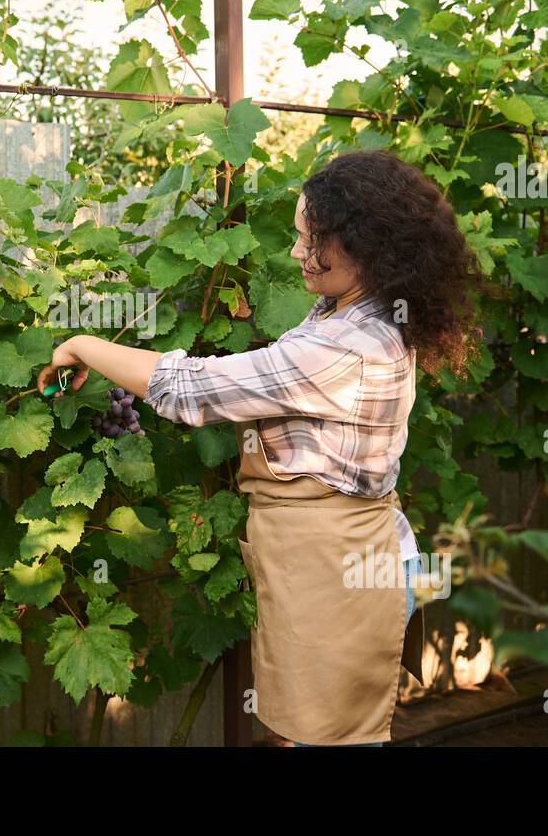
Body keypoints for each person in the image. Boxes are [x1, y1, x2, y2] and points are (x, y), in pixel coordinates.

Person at [36, 149, 487, 746]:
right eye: (299, 237)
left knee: (332, 740)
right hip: (328, 563)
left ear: (365, 245)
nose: (298, 252)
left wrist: (82, 343)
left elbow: (190, 389)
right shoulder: (352, 313)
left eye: (312, 241)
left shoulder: (348, 346)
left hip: (337, 574)